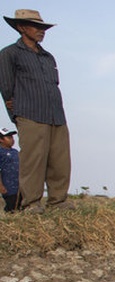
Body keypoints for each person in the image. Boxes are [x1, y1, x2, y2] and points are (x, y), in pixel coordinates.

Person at [0, 9, 70, 213]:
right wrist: (17, 116)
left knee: (60, 160)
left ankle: (58, 201)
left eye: (43, 28)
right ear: (21, 28)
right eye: (36, 27)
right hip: (29, 113)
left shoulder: (48, 57)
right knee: (33, 161)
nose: (41, 31)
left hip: (56, 115)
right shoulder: (9, 54)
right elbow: (6, 88)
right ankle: (31, 203)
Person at [0, 127, 18, 212]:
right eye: (9, 137)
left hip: (19, 186)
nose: (12, 140)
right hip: (9, 187)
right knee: (11, 207)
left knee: (19, 207)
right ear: (1, 140)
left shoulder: (15, 151)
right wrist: (1, 186)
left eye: (12, 137)